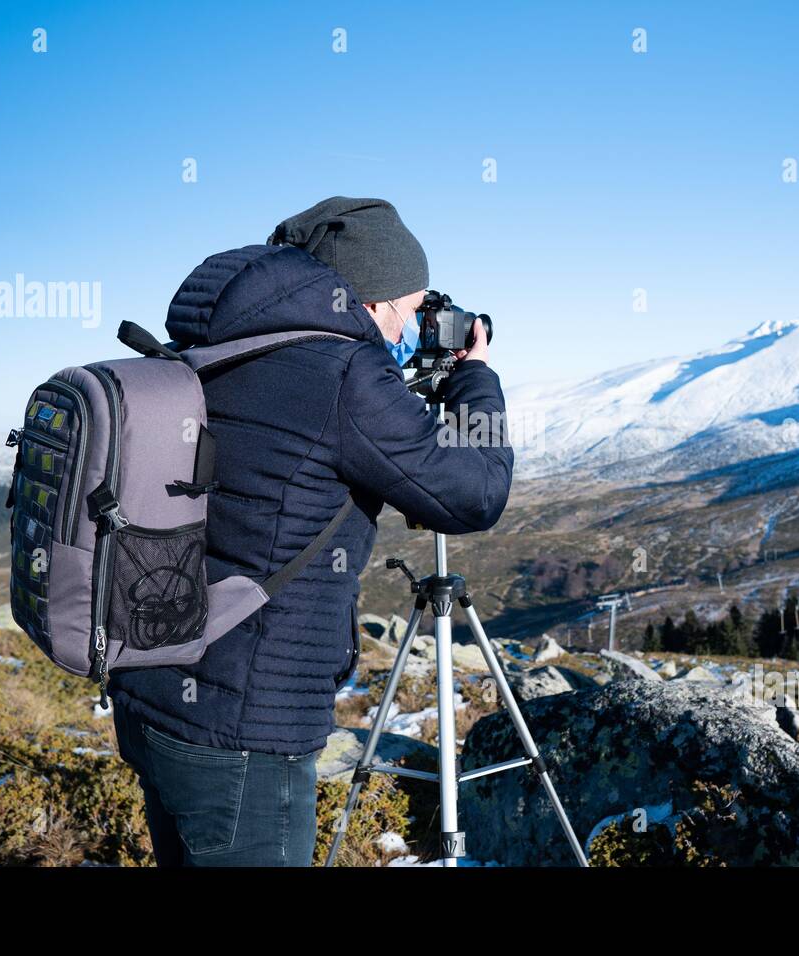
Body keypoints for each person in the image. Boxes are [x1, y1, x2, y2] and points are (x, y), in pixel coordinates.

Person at [109, 197, 512, 866]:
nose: (416, 327)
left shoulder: (223, 342)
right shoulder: (343, 371)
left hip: (154, 690)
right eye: (414, 311)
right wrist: (477, 380)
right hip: (243, 726)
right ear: (373, 300)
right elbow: (474, 494)